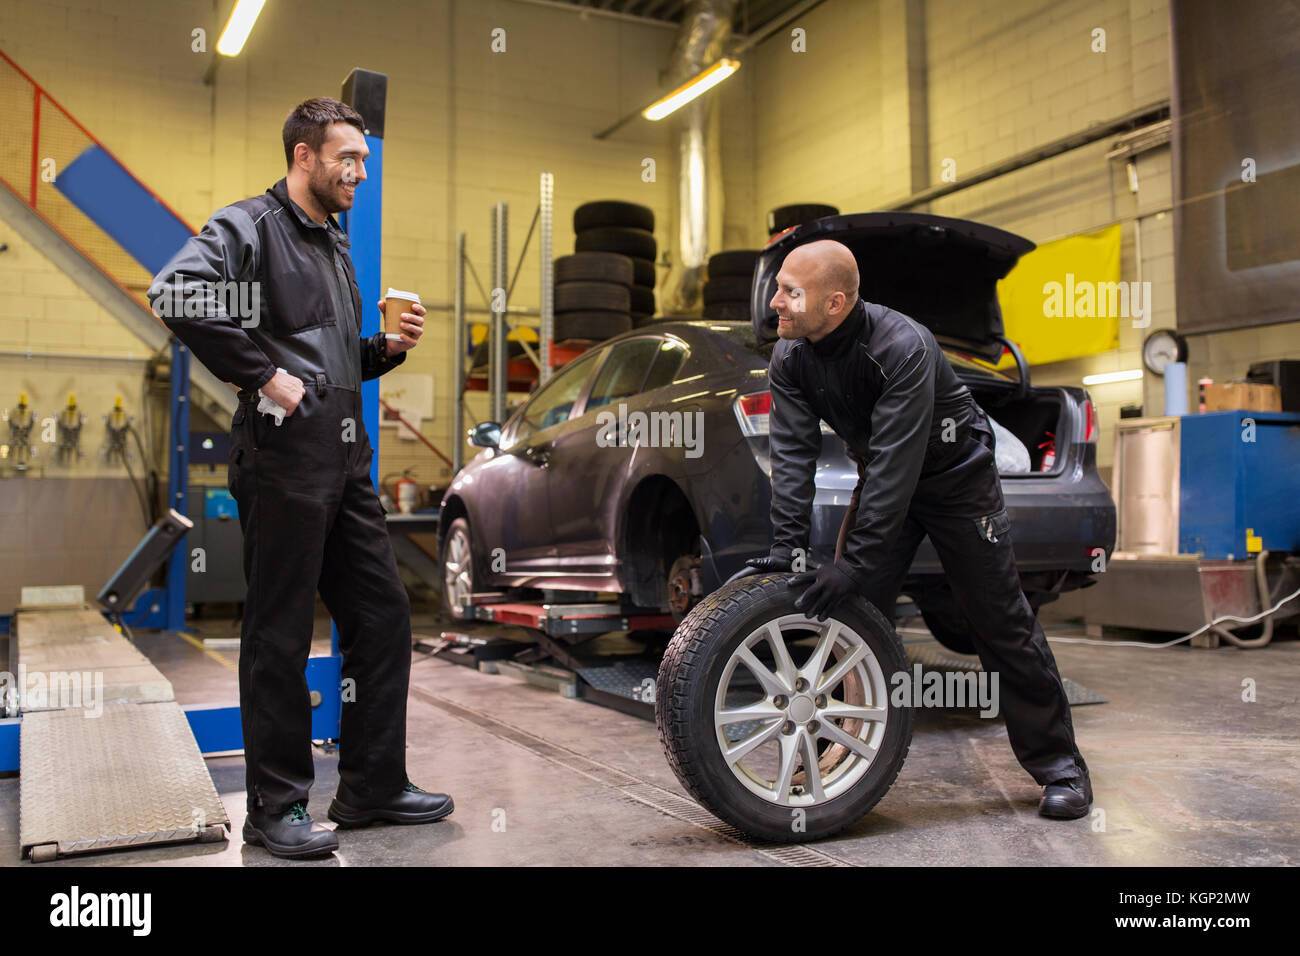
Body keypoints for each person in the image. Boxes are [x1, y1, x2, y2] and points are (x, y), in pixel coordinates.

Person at [149, 97, 452, 858]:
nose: (360, 172)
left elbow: (328, 361)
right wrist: (261, 374)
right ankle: (275, 808)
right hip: (283, 460)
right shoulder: (249, 226)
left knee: (382, 619)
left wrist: (382, 348)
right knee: (280, 634)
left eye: (365, 161)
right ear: (303, 156)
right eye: (347, 157)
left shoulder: (333, 241)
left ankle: (372, 785)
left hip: (345, 461)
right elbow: (175, 294)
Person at [746, 239, 1092, 819]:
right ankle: (837, 752)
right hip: (885, 475)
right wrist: (786, 547)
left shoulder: (902, 346)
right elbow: (793, 452)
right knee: (851, 621)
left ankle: (1061, 768)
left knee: (999, 621)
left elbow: (898, 462)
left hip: (958, 479)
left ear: (834, 303)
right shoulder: (791, 357)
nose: (773, 301)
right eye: (778, 285)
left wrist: (854, 563)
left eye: (789, 291)